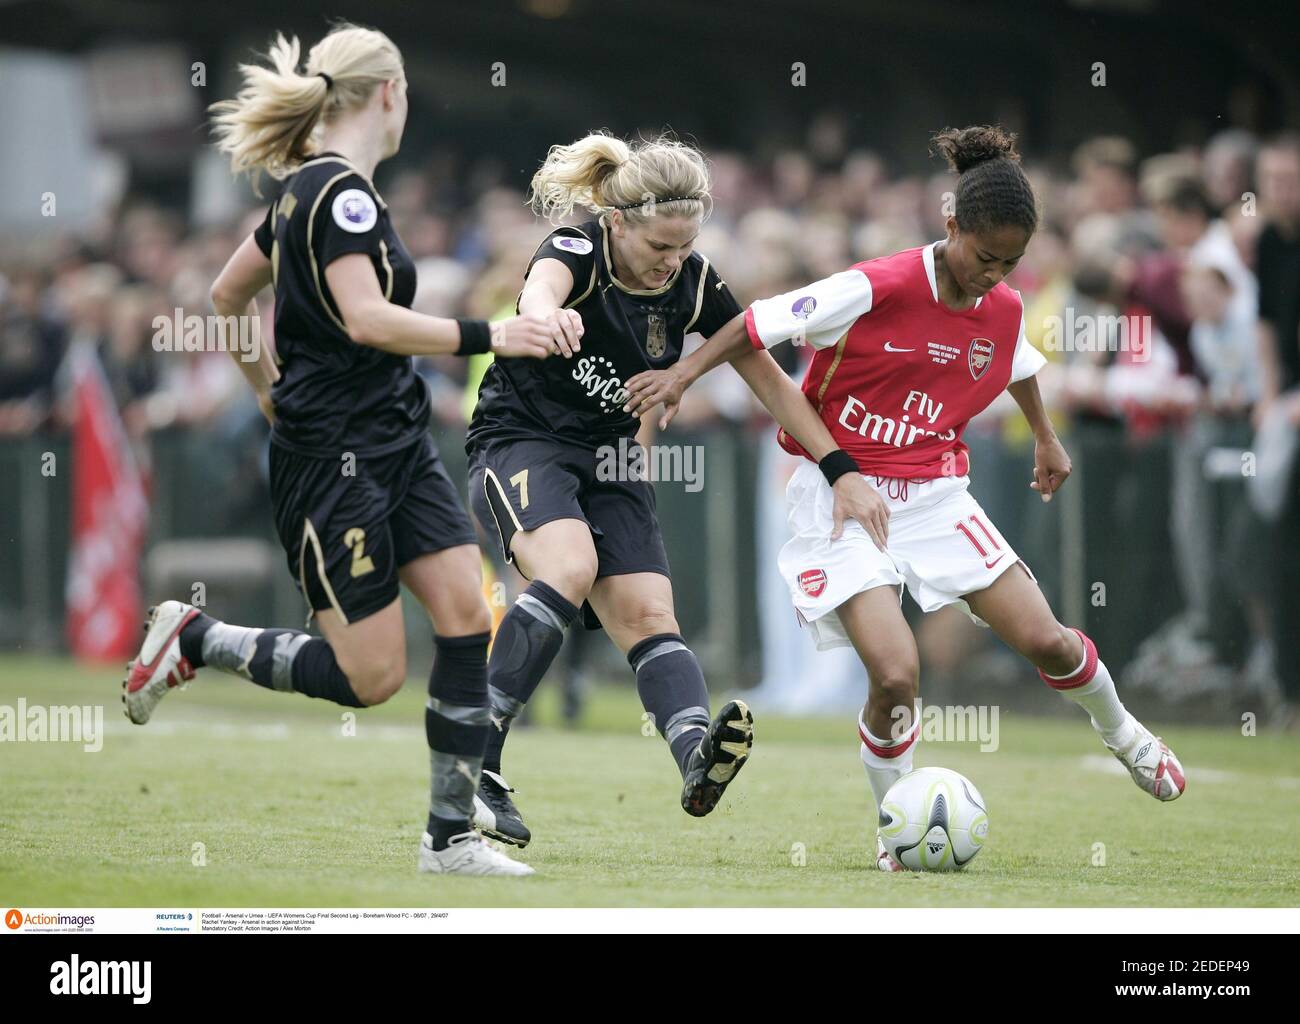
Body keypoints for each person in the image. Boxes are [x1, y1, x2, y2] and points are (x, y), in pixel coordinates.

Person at [623, 126, 1186, 872]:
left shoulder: (1005, 304)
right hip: (839, 493)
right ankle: (897, 833)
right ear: (951, 224)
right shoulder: (876, 285)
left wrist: (1046, 438)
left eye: (1011, 262)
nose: (995, 276)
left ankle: (1127, 735)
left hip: (936, 497)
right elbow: (753, 324)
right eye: (986, 258)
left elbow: (1014, 359)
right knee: (895, 674)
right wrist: (685, 374)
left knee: (1048, 640)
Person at [122, 24, 556, 877]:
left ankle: (449, 841)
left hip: (397, 442)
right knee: (371, 678)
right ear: (389, 93)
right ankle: (196, 637)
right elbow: (366, 319)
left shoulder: (309, 193)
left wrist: (260, 381)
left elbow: (225, 291)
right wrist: (493, 334)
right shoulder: (340, 197)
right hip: (332, 459)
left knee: (469, 613)